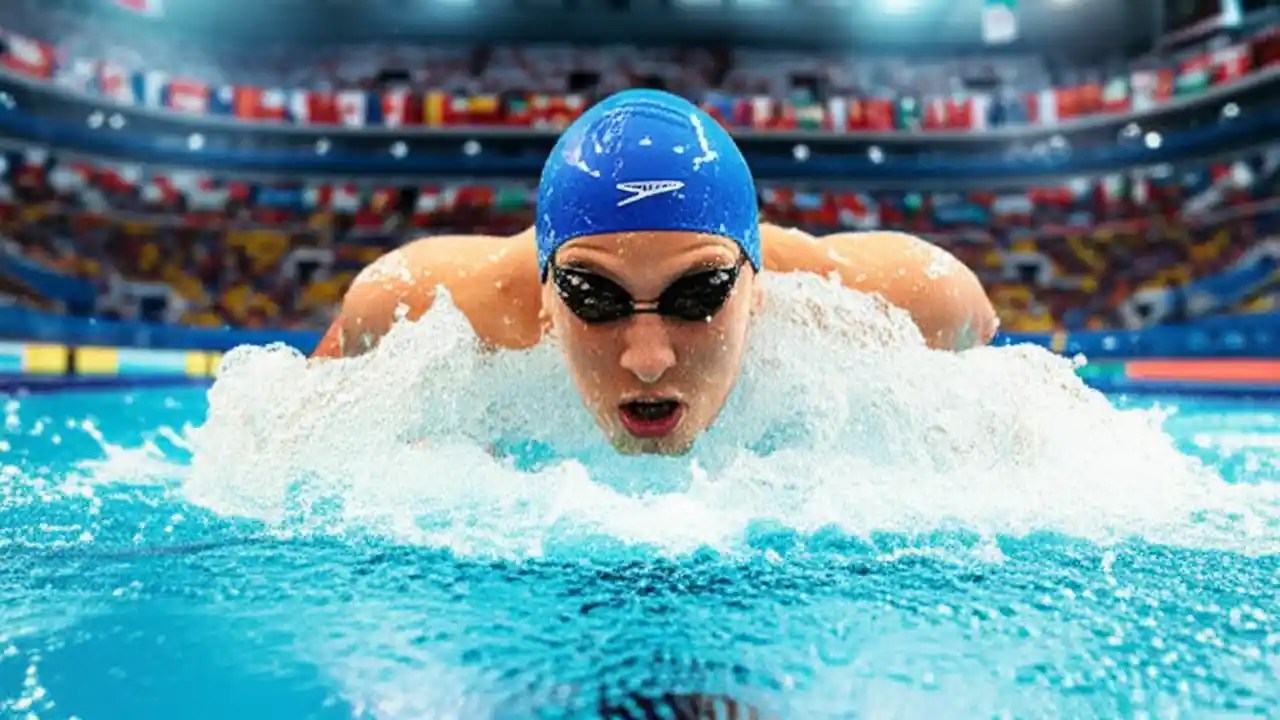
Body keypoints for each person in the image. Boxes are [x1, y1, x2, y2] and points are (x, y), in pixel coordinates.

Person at [312, 89, 998, 455]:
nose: (647, 359)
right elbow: (297, 427)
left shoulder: (888, 297)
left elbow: (988, 345)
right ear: (545, 292)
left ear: (755, 286)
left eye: (698, 294)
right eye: (593, 296)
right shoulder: (439, 306)